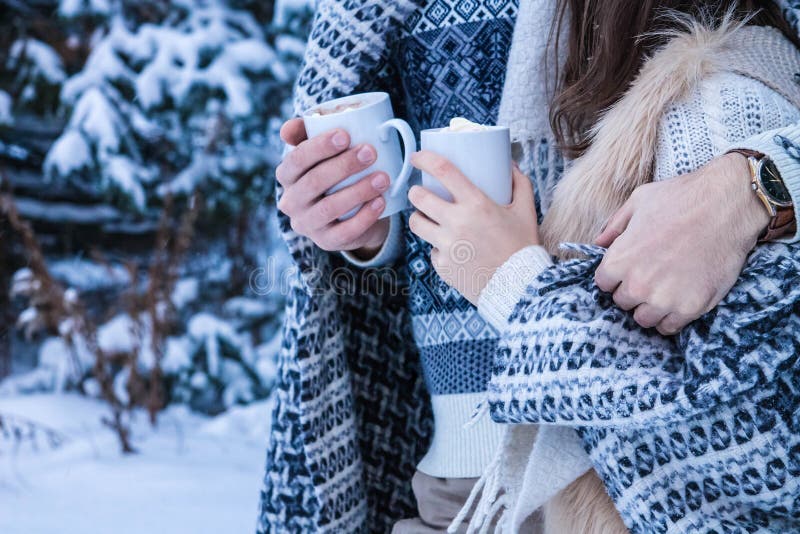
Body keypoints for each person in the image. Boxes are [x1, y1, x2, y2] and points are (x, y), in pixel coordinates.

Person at [257, 1, 800, 533]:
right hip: (455, 472)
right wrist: (369, 222)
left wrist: (761, 184)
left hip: (618, 483)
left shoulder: (726, 82)